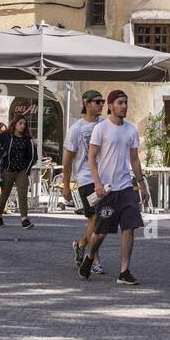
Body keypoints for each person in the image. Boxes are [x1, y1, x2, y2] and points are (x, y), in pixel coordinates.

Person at [79, 89, 149, 285]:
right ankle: (90, 256)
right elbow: (91, 158)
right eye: (120, 103)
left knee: (130, 227)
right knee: (100, 232)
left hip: (126, 187)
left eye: (126, 103)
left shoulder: (131, 130)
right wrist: (97, 183)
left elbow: (134, 159)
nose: (124, 106)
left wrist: (142, 185)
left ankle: (124, 271)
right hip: (107, 189)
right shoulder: (101, 129)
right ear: (111, 106)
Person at [62, 90, 106, 272]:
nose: (101, 105)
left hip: (106, 178)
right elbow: (67, 160)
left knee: (102, 222)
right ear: (87, 104)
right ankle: (94, 260)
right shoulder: (76, 129)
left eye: (102, 101)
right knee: (94, 219)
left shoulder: (106, 125)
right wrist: (65, 185)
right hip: (86, 179)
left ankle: (80, 246)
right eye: (97, 102)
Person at [0, 115, 37, 229]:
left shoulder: (27, 139)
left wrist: (27, 169)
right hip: (8, 171)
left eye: (24, 124)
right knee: (5, 195)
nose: (22, 126)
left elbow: (33, 156)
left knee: (23, 196)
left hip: (22, 171)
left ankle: (24, 220)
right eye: (20, 123)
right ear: (15, 124)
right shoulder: (7, 135)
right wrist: (2, 152)